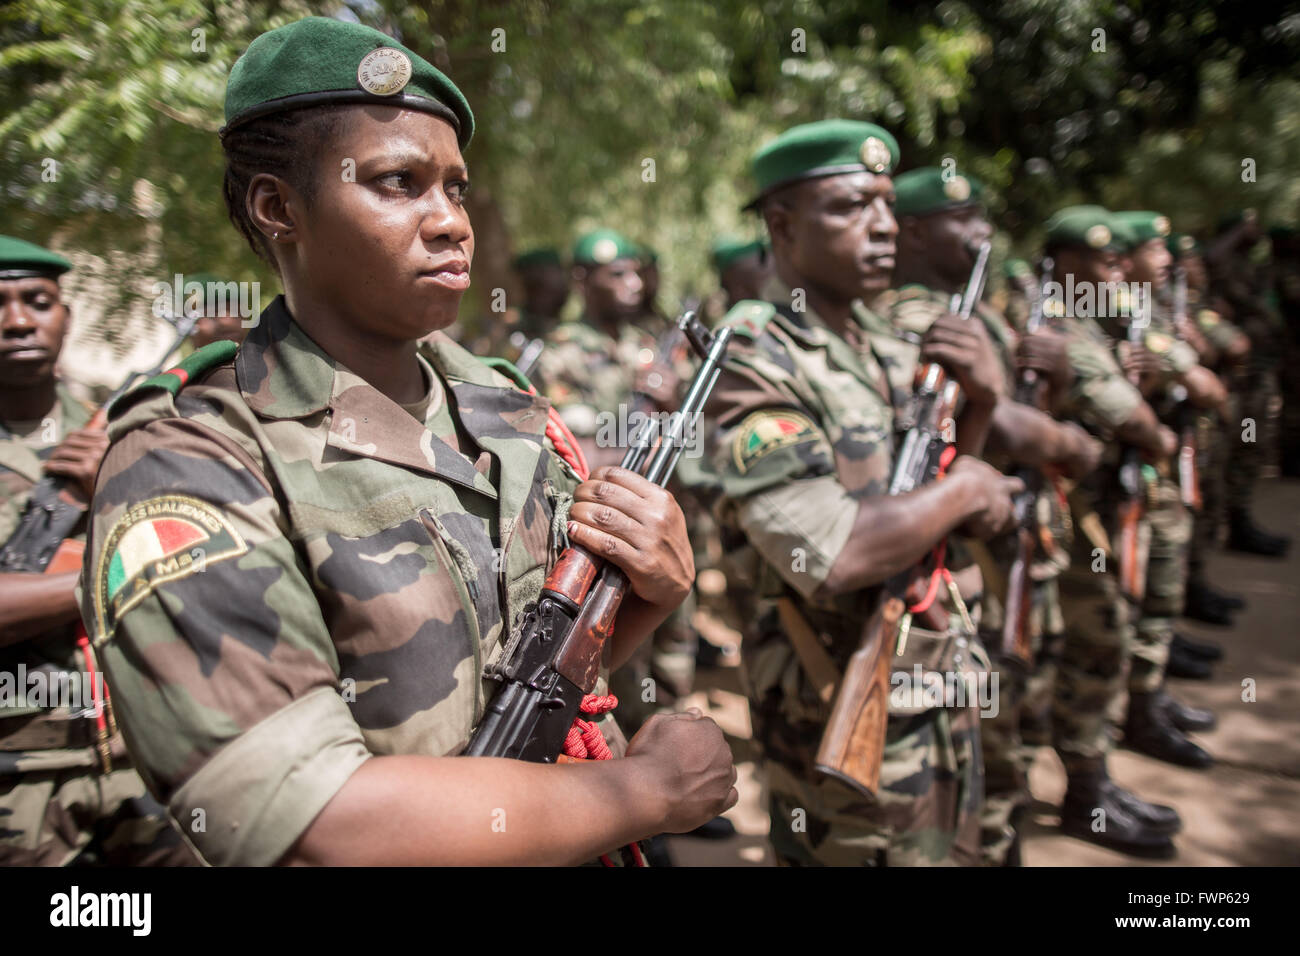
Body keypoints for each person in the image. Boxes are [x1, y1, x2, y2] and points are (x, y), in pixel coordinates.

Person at [77, 16, 735, 867]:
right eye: (398, 183)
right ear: (278, 208)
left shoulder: (503, 407)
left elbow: (525, 679)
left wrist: (650, 590)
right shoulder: (190, 460)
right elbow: (314, 823)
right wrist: (635, 795)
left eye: (455, 189)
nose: (450, 222)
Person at [697, 120, 1022, 865]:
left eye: (884, 204)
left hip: (930, 681)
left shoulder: (885, 342)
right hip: (831, 696)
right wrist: (970, 484)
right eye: (850, 207)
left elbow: (938, 507)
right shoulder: (752, 353)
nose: (882, 226)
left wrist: (980, 408)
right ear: (782, 225)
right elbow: (831, 552)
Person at [871, 167, 1101, 865]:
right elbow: (995, 425)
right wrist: (1071, 443)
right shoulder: (914, 316)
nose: (983, 231)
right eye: (961, 216)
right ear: (913, 230)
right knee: (989, 742)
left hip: (1003, 548)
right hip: (967, 561)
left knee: (1011, 724)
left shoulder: (964, 310)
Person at [0, 235, 194, 865]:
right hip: (18, 772)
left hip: (140, 753)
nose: (18, 320)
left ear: (66, 317)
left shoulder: (115, 433)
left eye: (37, 300)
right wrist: (112, 580)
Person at [1016, 206, 1185, 857]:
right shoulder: (1060, 326)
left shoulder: (1096, 322)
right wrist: (1156, 426)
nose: (1115, 268)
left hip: (1093, 517)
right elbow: (1131, 417)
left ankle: (1093, 784)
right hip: (1067, 522)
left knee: (1094, 647)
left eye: (1119, 258)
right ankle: (1084, 797)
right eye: (1101, 258)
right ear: (1062, 264)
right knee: (1090, 647)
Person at [1110, 210, 1222, 766]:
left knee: (1155, 597)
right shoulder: (1106, 316)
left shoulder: (1143, 314)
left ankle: (1147, 705)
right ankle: (1134, 718)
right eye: (1153, 251)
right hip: (1117, 489)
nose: (1167, 261)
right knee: (1122, 614)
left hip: (1151, 475)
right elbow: (1207, 382)